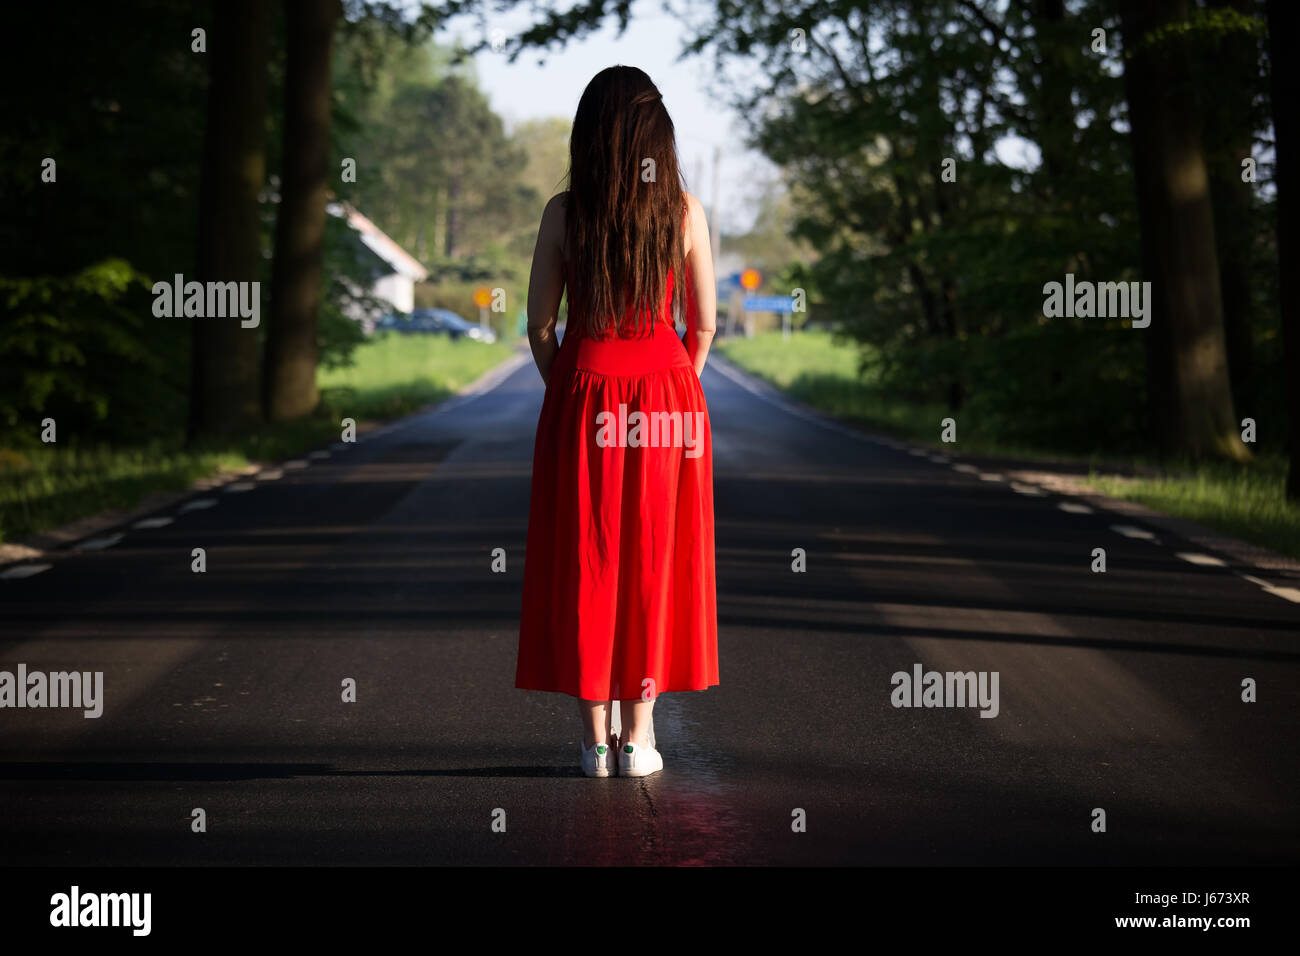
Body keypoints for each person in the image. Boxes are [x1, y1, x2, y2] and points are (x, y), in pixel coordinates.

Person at [515, 65, 720, 778]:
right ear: (657, 135)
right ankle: (641, 739)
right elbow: (703, 326)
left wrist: (572, 389)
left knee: (588, 559)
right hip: (667, 396)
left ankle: (594, 742)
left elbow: (541, 327)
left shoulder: (564, 214)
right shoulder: (685, 211)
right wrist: (671, 391)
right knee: (652, 560)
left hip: (583, 392)